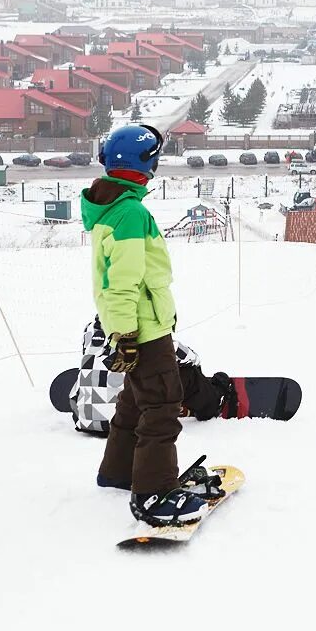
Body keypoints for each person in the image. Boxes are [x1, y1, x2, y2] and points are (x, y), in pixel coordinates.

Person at [85, 125, 214, 527]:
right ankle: (153, 493)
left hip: (137, 322)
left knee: (136, 400)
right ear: (146, 163)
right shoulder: (130, 213)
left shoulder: (115, 205)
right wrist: (125, 335)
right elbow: (120, 282)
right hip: (143, 326)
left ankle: (119, 471)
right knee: (161, 403)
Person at [67, 318, 239, 436]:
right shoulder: (139, 328)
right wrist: (196, 365)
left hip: (86, 422)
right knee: (184, 372)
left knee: (95, 370)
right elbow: (179, 353)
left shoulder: (91, 328)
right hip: (125, 421)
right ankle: (212, 401)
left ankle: (92, 403)